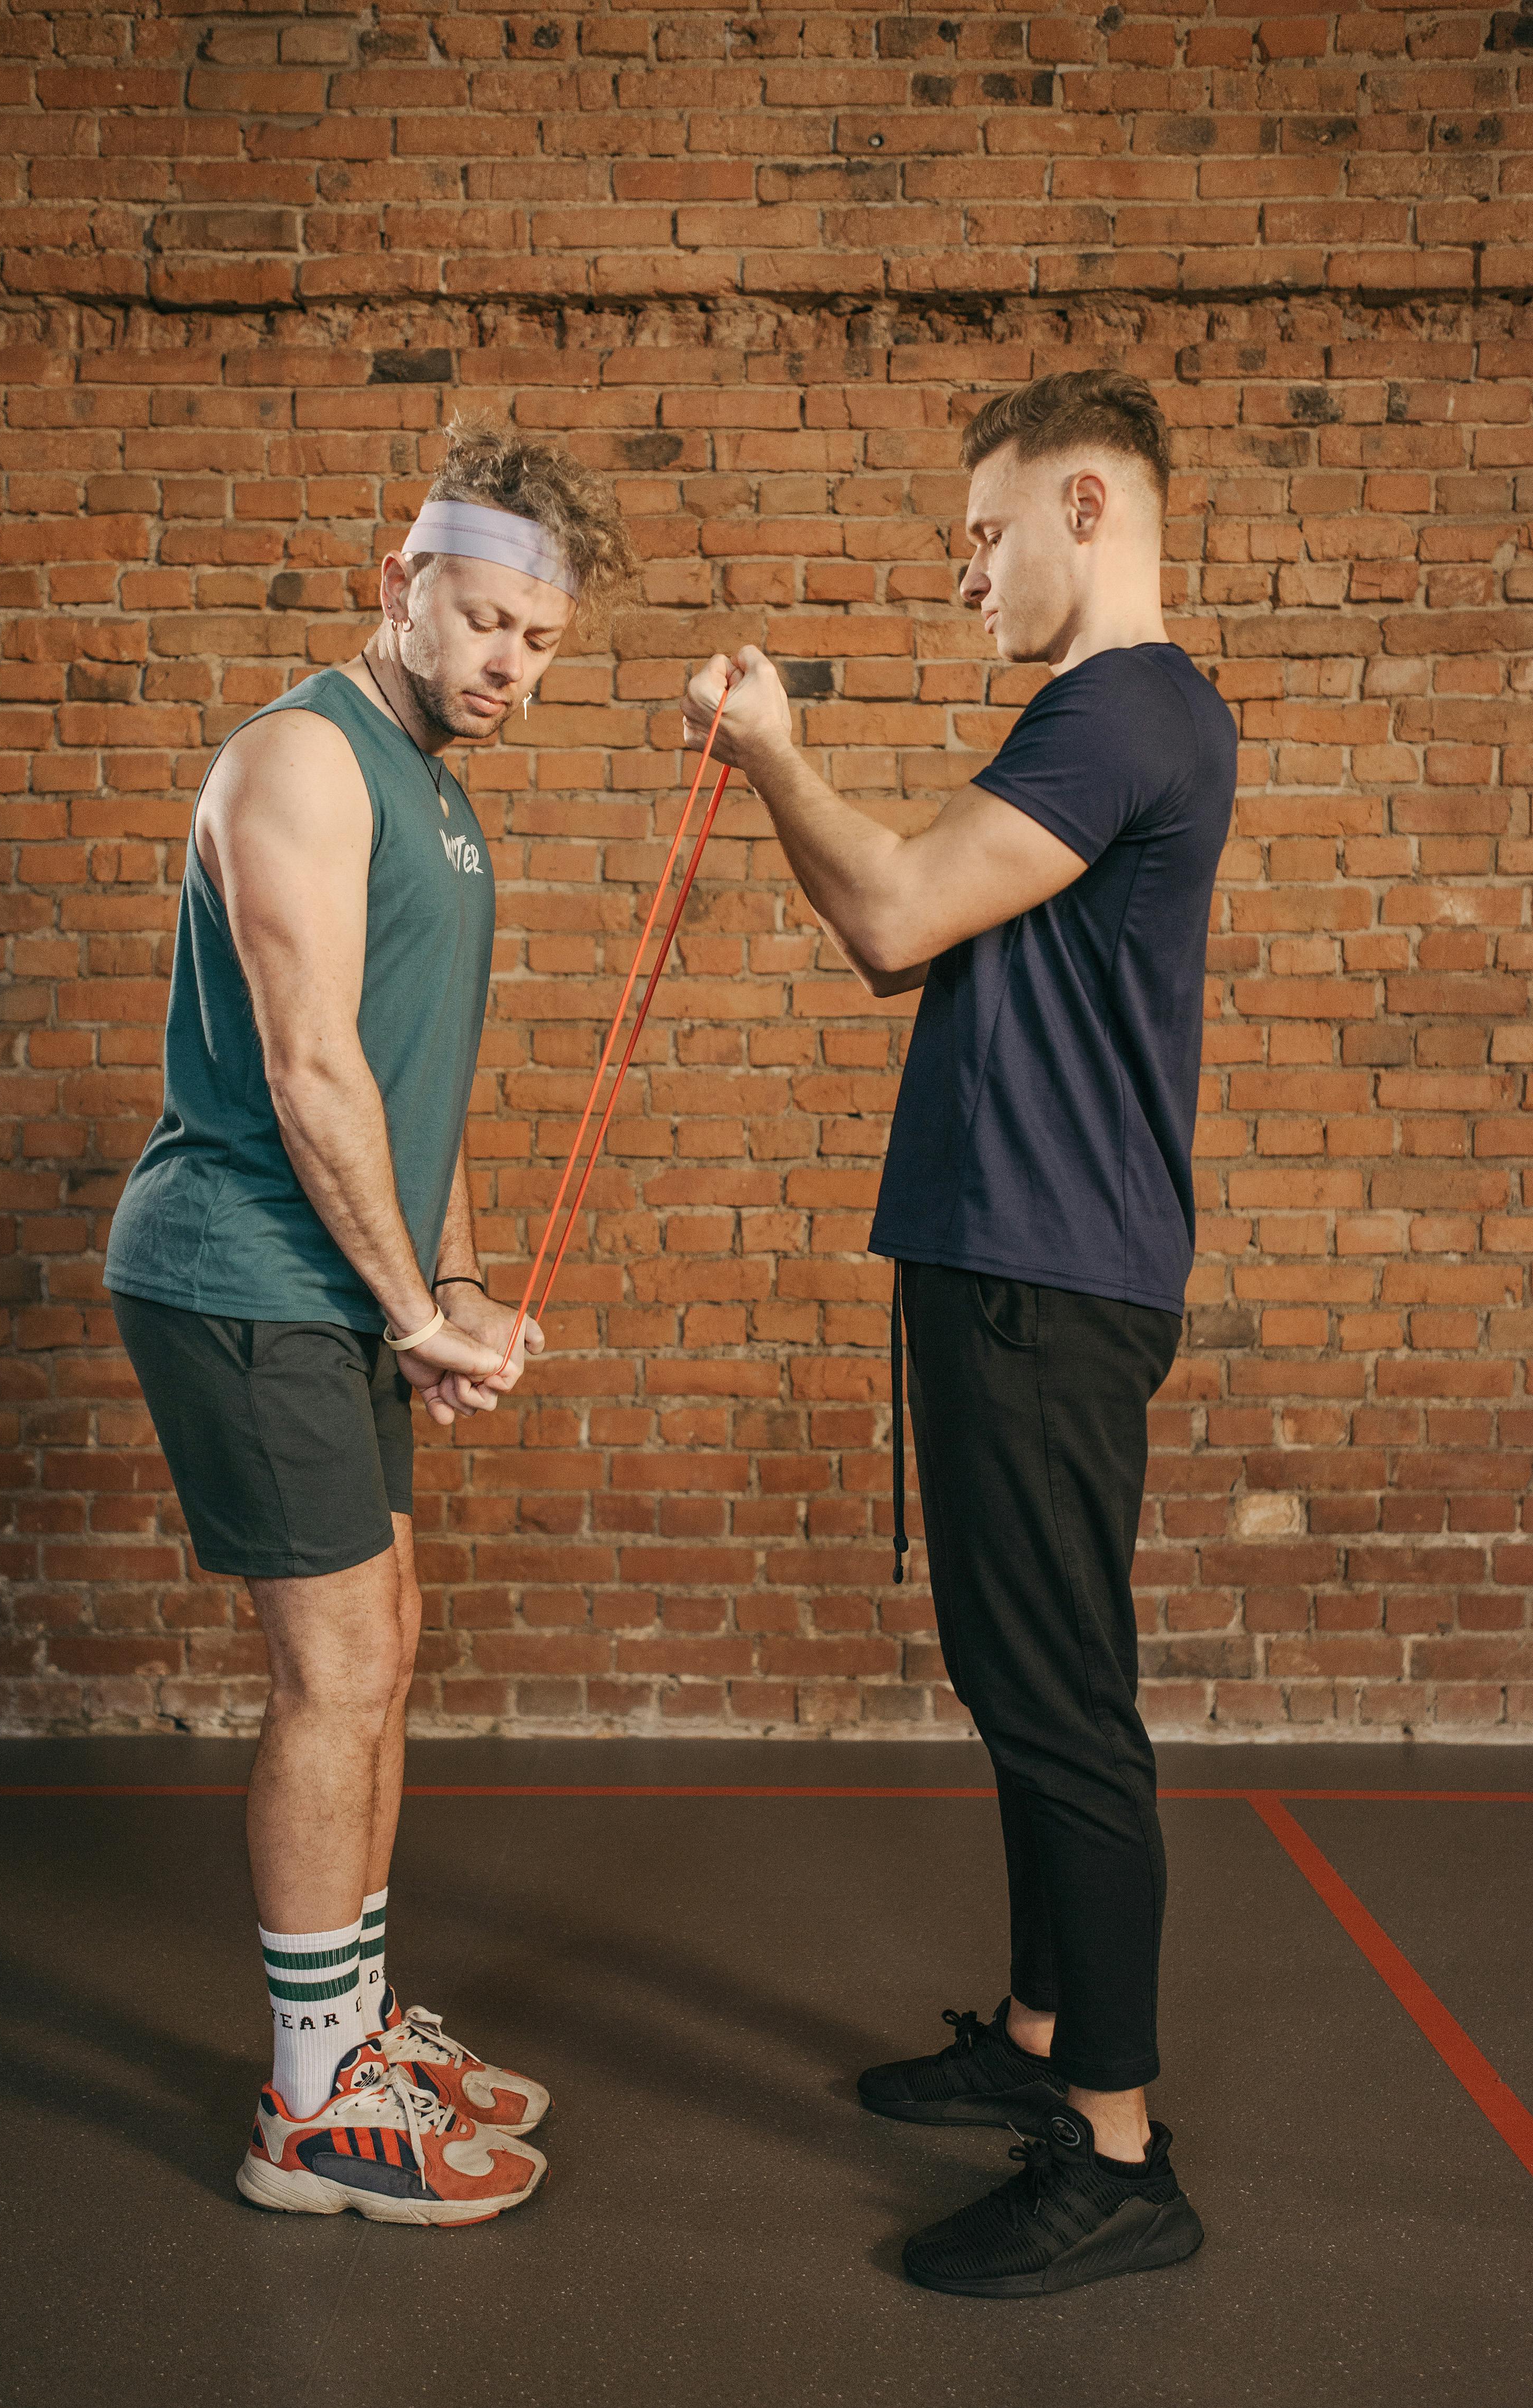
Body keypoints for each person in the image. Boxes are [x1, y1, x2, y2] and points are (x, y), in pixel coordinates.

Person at [683, 370, 1234, 2298]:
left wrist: (771, 749)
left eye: (984, 534)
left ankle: (1116, 2149)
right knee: (1017, 1680)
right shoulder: (1107, 714)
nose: (965, 572)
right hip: (1017, 1261)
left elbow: (899, 913)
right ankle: (1030, 2040)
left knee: (1061, 1699)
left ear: (1087, 504)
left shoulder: (1125, 707)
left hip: (1046, 1274)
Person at [106, 421, 637, 2223]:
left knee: (384, 1642)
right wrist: (412, 1305)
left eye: (539, 641)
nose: (509, 666)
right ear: (394, 585)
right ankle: (312, 2104)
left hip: (341, 1281)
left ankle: (355, 2023)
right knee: (334, 1669)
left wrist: (459, 1286)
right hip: (243, 1271)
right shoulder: (302, 765)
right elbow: (311, 1064)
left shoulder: (441, 795)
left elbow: (421, 1099)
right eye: (483, 621)